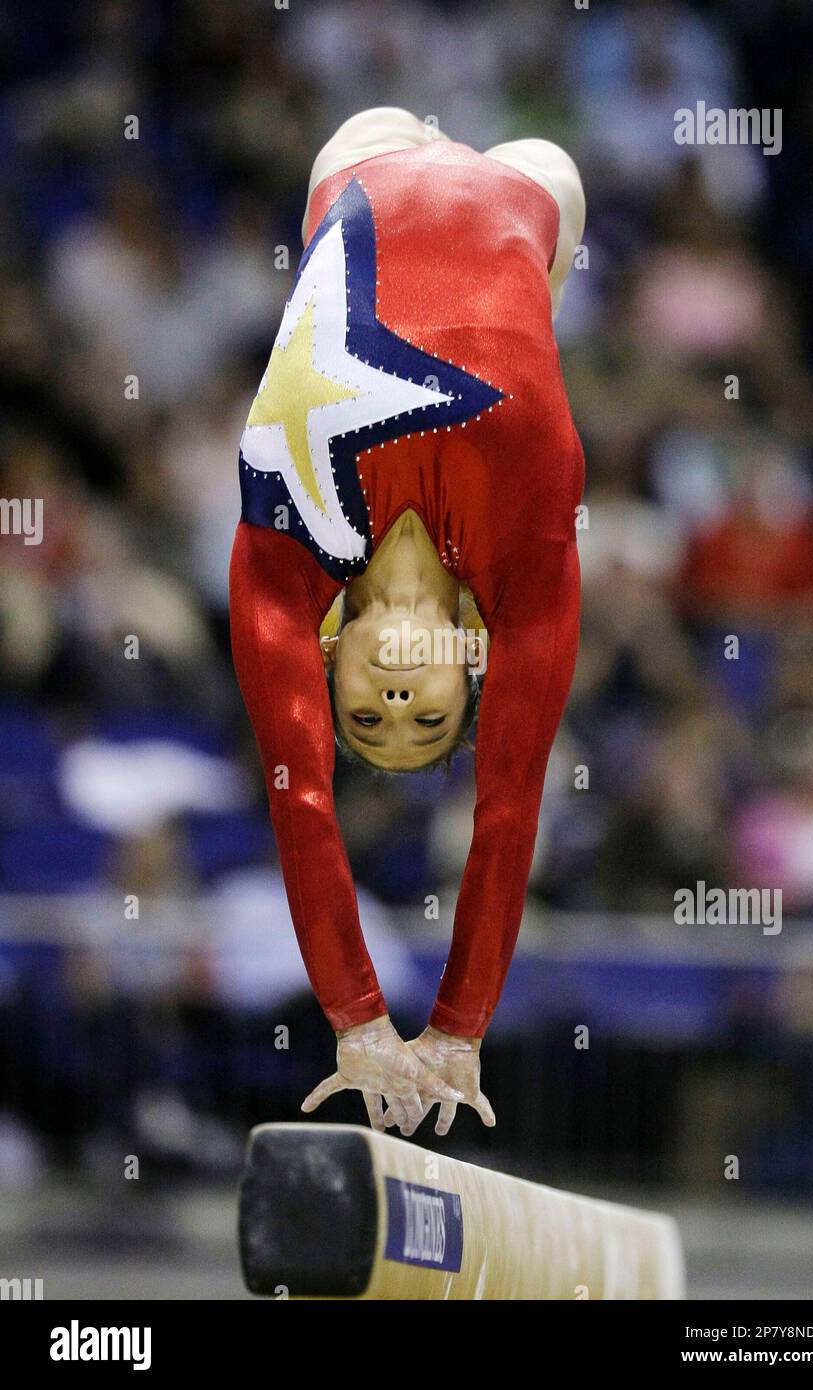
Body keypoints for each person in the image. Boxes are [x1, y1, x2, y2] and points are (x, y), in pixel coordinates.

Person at [229, 108, 586, 1136]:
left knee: (358, 174)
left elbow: (301, 802)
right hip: (533, 192)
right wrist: (457, 1028)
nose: (391, 707)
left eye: (367, 721)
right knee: (537, 212)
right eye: (424, 722)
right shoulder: (529, 574)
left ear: (327, 659)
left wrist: (356, 1019)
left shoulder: (284, 547)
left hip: (360, 155)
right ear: (471, 661)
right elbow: (507, 809)